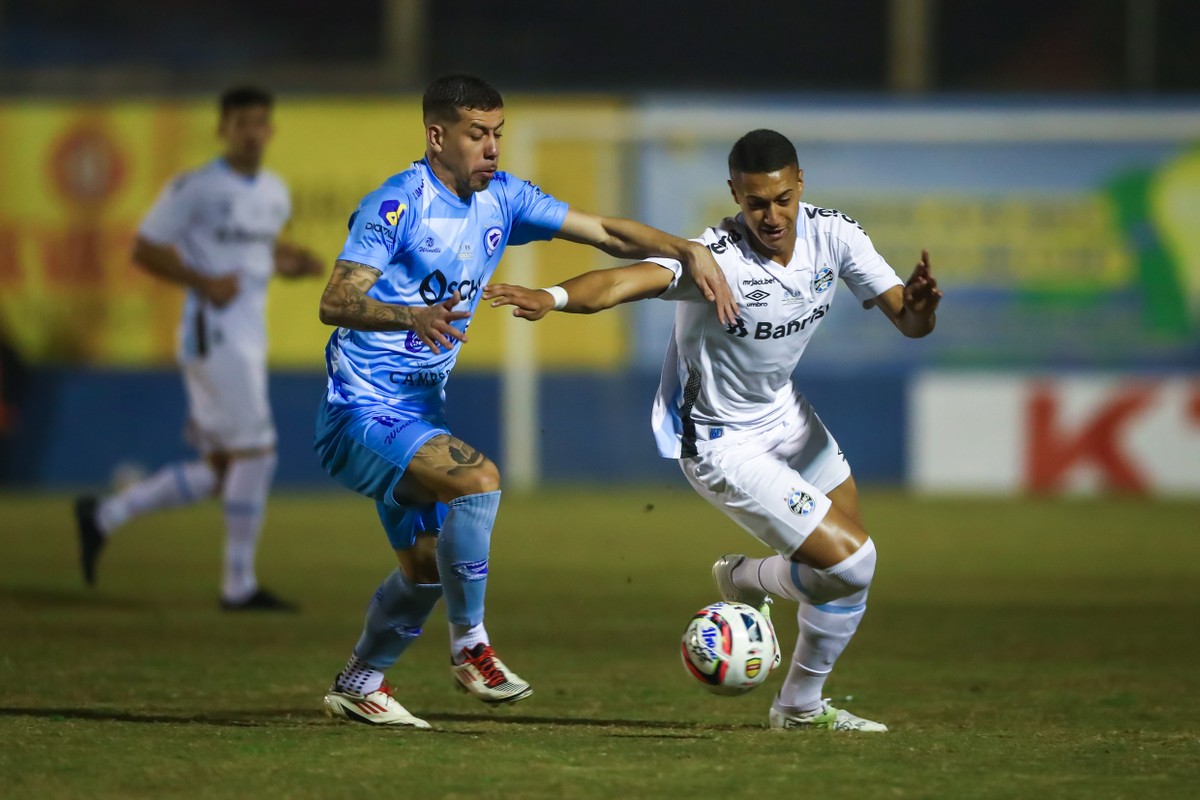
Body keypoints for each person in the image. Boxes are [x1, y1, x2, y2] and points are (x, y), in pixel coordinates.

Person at [484, 128, 942, 733]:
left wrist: (923, 304)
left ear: (800, 183)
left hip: (787, 415)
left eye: (781, 199)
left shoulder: (837, 234)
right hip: (720, 442)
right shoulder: (714, 256)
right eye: (755, 203)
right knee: (855, 563)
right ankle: (753, 587)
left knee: (844, 568)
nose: (771, 216)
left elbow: (910, 324)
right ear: (734, 193)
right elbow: (621, 282)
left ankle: (798, 705)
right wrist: (552, 295)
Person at [315, 73, 735, 729]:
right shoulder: (396, 205)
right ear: (437, 136)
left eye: (497, 135)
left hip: (418, 412)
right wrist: (409, 317)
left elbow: (604, 232)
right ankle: (470, 649)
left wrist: (684, 248)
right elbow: (334, 302)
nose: (492, 148)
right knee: (477, 481)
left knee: (428, 570)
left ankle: (360, 682)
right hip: (359, 411)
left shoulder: (503, 199)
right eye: (477, 134)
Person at [73, 86, 323, 611]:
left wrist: (289, 263)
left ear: (270, 129)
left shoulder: (274, 191)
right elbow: (143, 247)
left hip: (247, 336)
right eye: (242, 123)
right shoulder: (197, 187)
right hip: (214, 334)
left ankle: (104, 515)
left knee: (220, 469)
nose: (253, 132)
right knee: (257, 453)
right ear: (223, 129)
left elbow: (256, 250)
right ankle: (238, 587)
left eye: (260, 123)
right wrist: (201, 281)